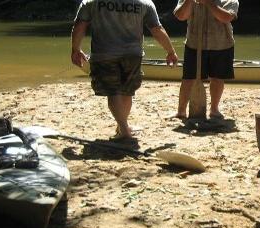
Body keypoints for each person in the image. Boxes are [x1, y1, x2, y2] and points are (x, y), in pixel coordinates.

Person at [71, 0, 179, 141]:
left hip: (104, 54)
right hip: (133, 55)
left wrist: (75, 49)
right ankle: (122, 125)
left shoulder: (91, 2)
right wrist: (170, 51)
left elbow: (80, 25)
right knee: (127, 91)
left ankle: (123, 129)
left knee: (113, 91)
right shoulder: (144, 3)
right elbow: (156, 29)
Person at [174, 0, 239, 120]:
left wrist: (208, 3)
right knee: (188, 78)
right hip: (194, 44)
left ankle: (214, 110)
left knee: (218, 78)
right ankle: (181, 111)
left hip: (222, 44)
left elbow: (226, 17)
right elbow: (181, 16)